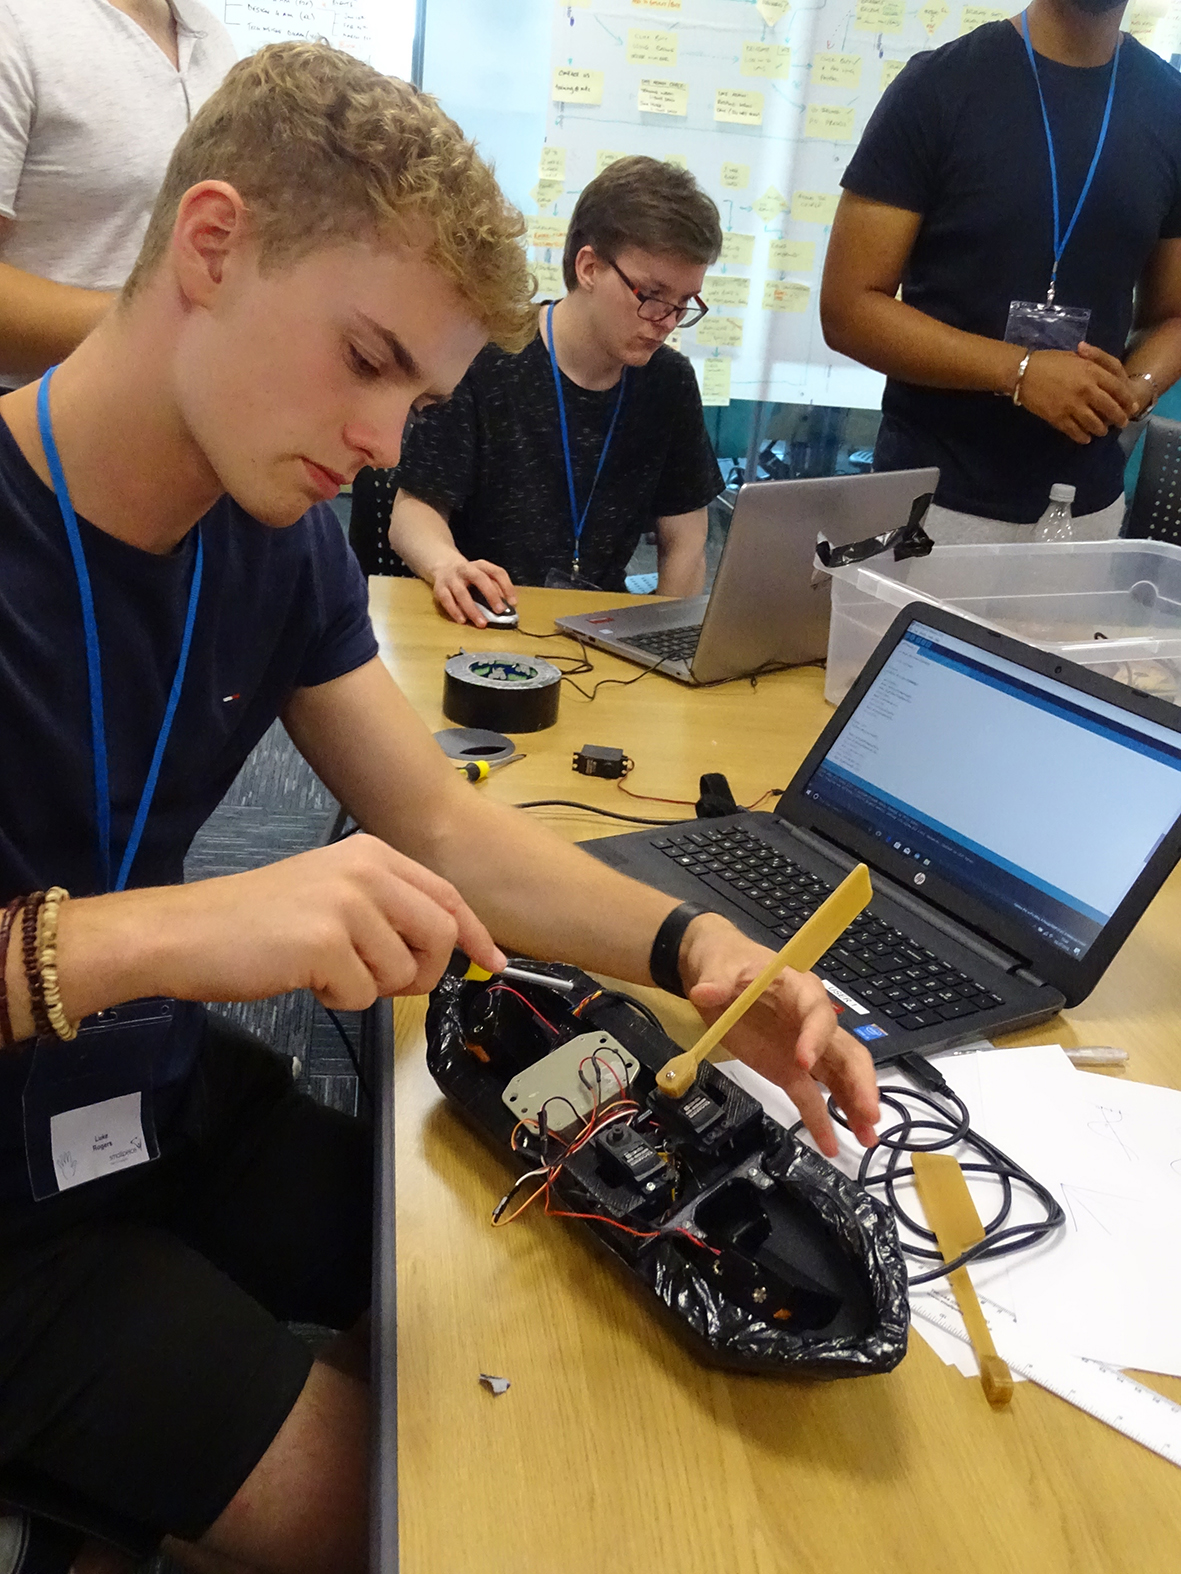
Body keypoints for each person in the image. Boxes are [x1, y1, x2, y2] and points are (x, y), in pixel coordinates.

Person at [0, 44, 880, 1574]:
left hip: (139, 1109)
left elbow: (449, 827)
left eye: (421, 396)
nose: (385, 444)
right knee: (438, 1515)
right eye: (364, 359)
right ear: (209, 246)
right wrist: (154, 936)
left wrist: (697, 953)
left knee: (527, 1307)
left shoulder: (270, 529)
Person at [820, 0, 1181, 541]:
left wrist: (1135, 388)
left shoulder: (1170, 108)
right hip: (932, 506)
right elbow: (849, 308)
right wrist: (1020, 372)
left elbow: (1173, 315)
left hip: (1088, 513)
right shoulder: (939, 86)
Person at [384, 155, 725, 626]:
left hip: (602, 632)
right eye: (652, 296)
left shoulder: (669, 382)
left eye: (684, 303)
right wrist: (447, 564)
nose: (666, 322)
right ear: (588, 267)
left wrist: (660, 645)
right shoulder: (489, 353)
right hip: (482, 619)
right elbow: (413, 510)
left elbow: (686, 540)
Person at [0, 0, 236, 388]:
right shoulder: (16, 23)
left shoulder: (211, 37)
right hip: (34, 415)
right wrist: (160, 325)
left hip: (167, 406)